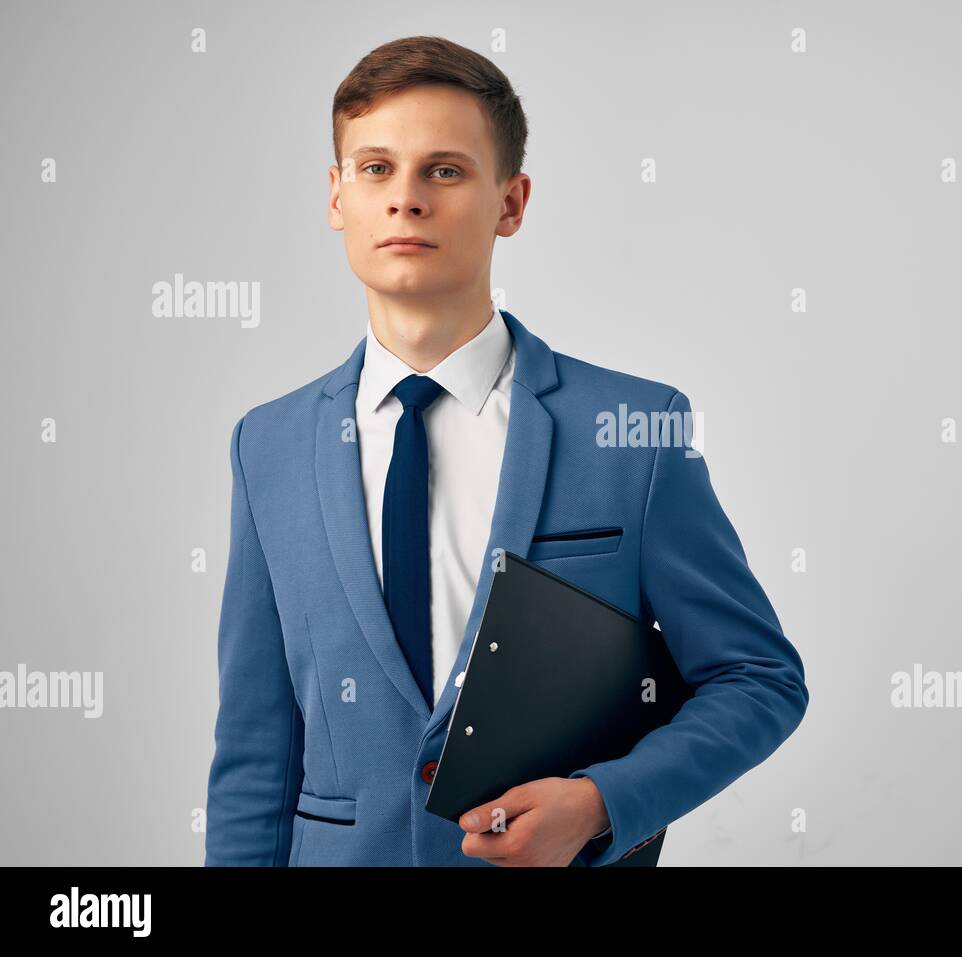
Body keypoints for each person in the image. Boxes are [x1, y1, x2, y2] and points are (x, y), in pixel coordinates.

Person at [203, 35, 809, 867]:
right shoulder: (265, 446)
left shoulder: (634, 428)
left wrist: (601, 806)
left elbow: (758, 678)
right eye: (375, 168)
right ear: (336, 195)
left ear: (511, 202)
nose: (405, 199)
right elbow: (254, 750)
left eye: (444, 170)